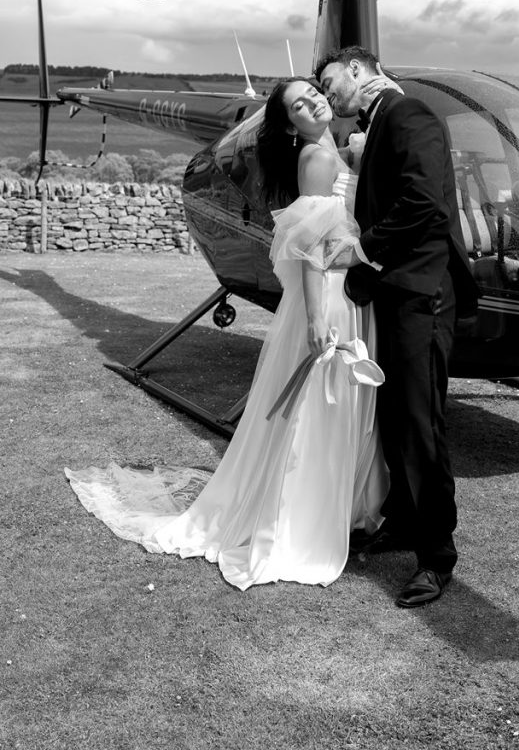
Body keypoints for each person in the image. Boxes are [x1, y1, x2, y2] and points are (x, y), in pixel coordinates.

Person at [65, 77, 390, 591]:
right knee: (315, 408)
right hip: (328, 294)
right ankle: (298, 518)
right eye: (301, 105)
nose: (315, 102)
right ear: (289, 125)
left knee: (331, 405)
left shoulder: (331, 148)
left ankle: (334, 506)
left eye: (315, 93)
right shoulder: (318, 159)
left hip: (343, 288)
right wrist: (313, 316)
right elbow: (308, 247)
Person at [316, 46, 480, 608]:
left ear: (359, 69)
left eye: (331, 79)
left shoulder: (409, 116)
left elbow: (425, 203)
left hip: (423, 295)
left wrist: (363, 249)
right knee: (391, 414)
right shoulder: (381, 121)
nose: (328, 91)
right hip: (394, 293)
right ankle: (404, 520)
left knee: (419, 421)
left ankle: (437, 556)